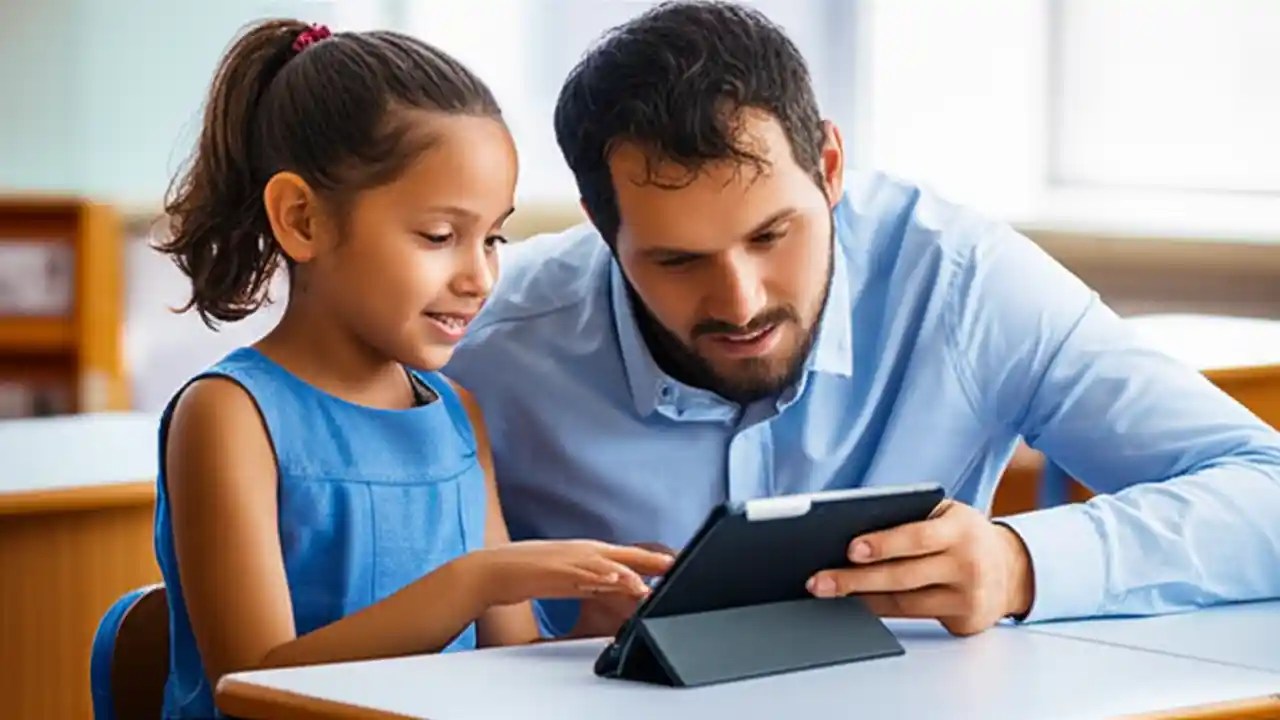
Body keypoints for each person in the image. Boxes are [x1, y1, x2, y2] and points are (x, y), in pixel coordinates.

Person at [446, 0, 1280, 639]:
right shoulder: (493, 339)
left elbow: (1266, 491)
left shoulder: (962, 284)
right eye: (676, 261)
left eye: (773, 234)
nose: (740, 302)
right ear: (602, 229)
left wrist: (1022, 564)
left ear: (831, 167)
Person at [152, 19, 672, 719]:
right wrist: (472, 583)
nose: (480, 275)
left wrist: (595, 623)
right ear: (302, 219)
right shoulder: (230, 416)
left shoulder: (458, 415)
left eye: (493, 237)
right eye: (439, 236)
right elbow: (252, 683)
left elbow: (506, 663)